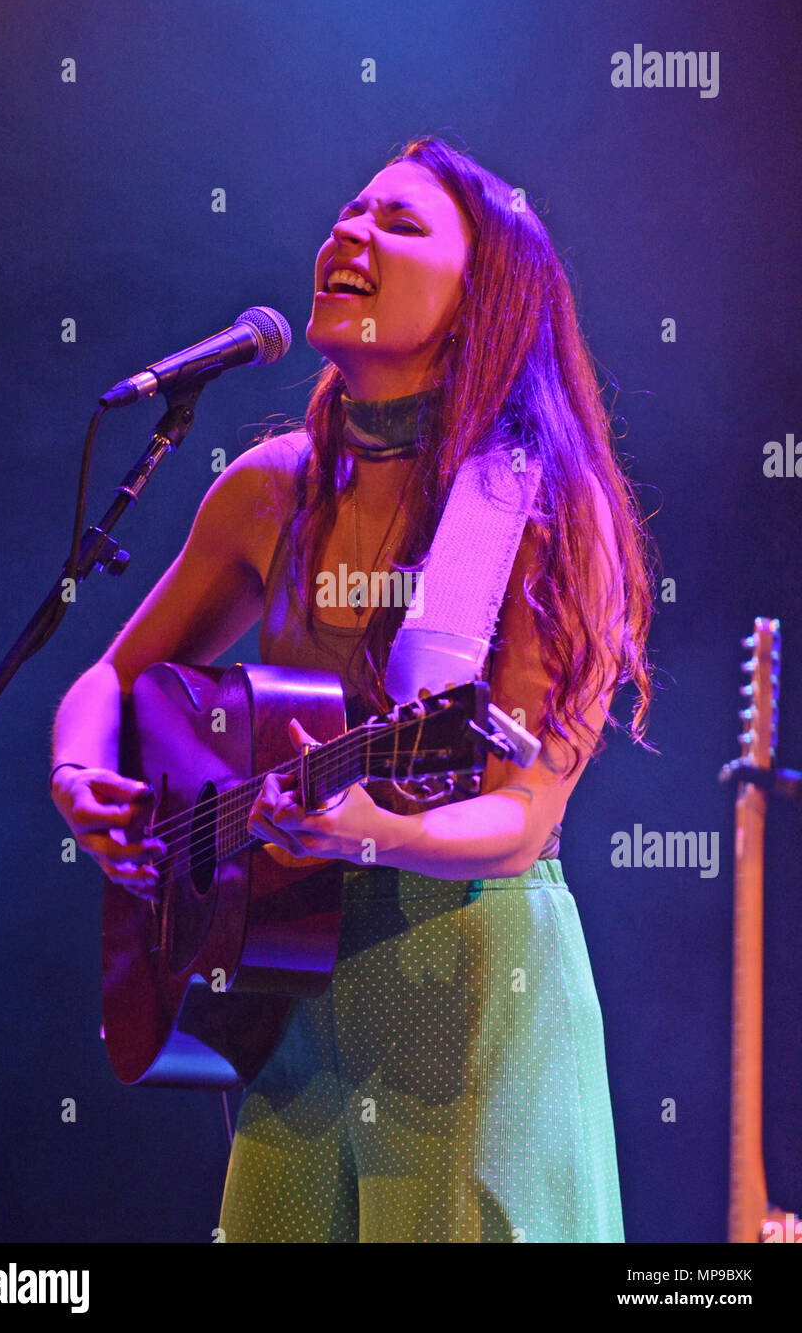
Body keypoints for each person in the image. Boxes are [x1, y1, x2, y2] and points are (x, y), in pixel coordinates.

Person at [50, 134, 654, 1243]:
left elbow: (521, 817)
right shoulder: (271, 489)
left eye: (399, 224)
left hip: (463, 979)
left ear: (487, 295)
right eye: (348, 214)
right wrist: (80, 775)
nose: (350, 234)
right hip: (287, 982)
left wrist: (370, 829)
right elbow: (107, 679)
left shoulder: (538, 504)